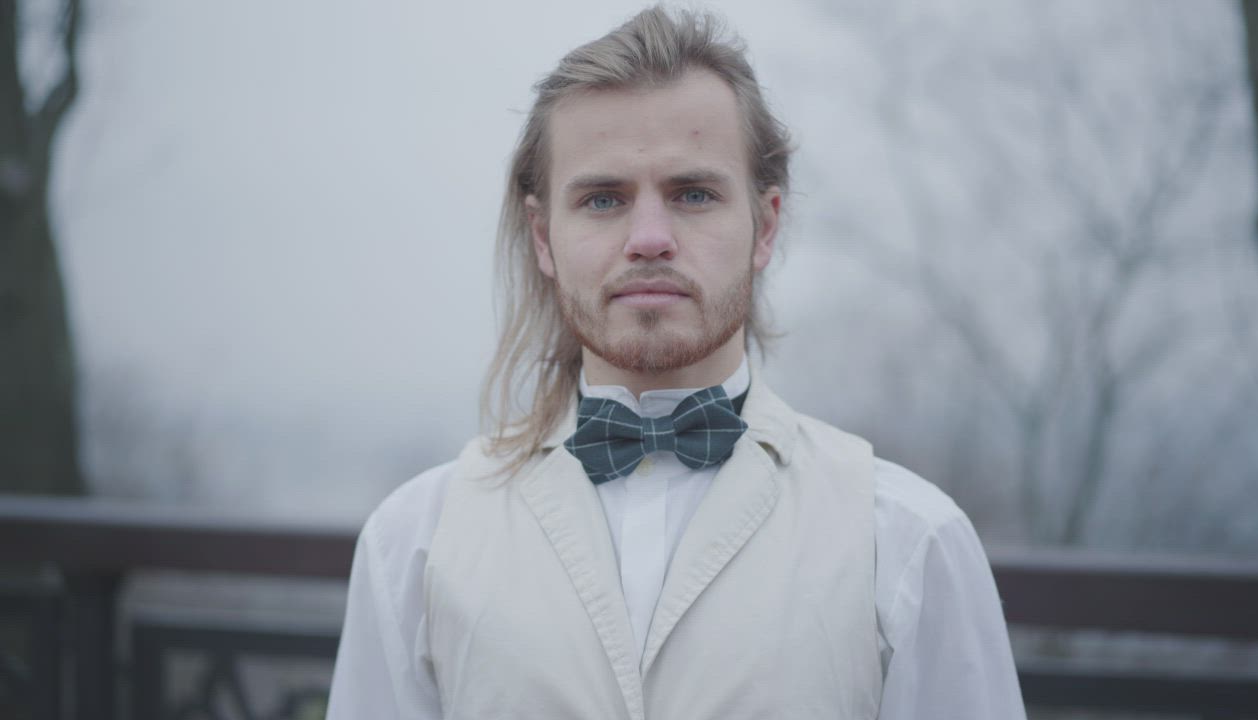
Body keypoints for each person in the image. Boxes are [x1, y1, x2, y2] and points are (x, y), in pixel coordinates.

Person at [327, 7, 1025, 719]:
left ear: (767, 224)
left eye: (693, 194)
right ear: (543, 237)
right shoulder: (412, 546)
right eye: (603, 199)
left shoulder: (909, 543)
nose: (650, 238)